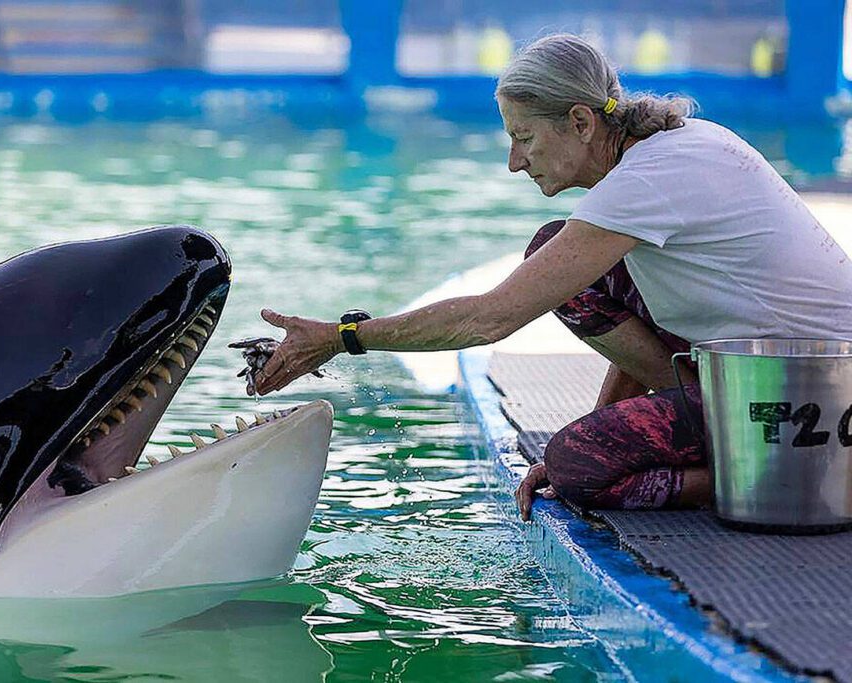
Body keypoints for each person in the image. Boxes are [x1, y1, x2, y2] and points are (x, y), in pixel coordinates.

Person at [245, 34, 852, 521]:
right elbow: (642, 310)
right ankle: (712, 437)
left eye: (524, 137)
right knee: (555, 254)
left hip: (808, 406)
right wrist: (605, 425)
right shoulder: (674, 147)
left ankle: (756, 480)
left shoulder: (645, 182)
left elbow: (492, 317)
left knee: (582, 469)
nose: (515, 161)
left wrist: (341, 336)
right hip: (779, 375)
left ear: (582, 123)